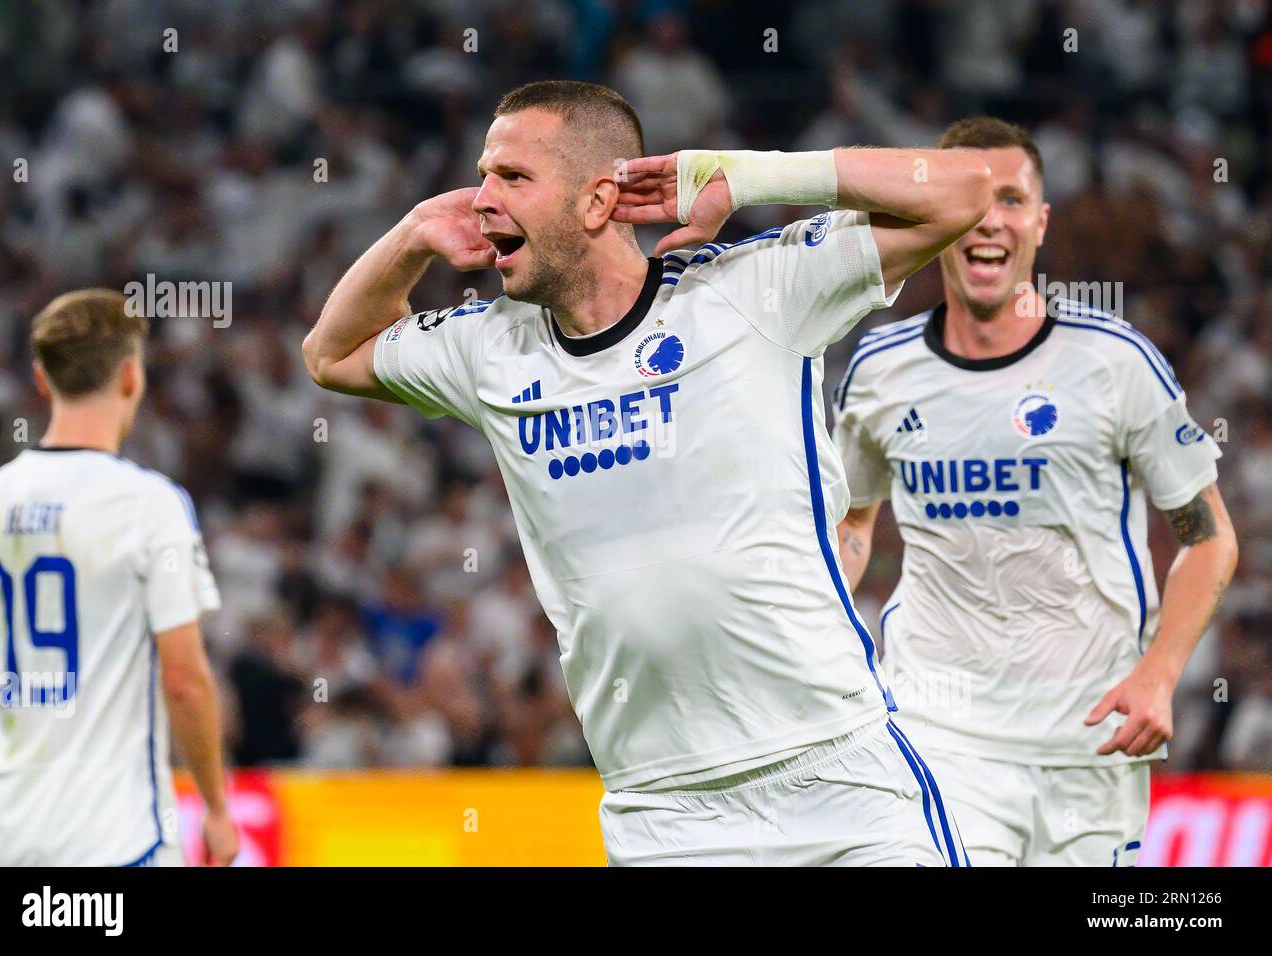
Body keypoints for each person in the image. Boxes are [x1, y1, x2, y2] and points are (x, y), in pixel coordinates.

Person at [303, 80, 992, 865]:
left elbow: (967, 190)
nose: (482, 199)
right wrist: (414, 234)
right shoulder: (489, 348)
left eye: (514, 178)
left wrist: (751, 176)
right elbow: (331, 353)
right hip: (662, 815)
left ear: (599, 200)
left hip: (837, 782)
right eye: (483, 175)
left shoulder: (754, 290)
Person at [831, 118, 1239, 866]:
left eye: (1012, 200)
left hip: (1087, 742)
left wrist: (1159, 674)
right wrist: (818, 631)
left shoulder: (1117, 363)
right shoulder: (878, 370)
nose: (990, 221)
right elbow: (854, 523)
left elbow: (1209, 537)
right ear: (933, 218)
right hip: (938, 734)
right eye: (969, 200)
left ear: (1041, 222)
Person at [0, 289, 238, 866]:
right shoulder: (149, 505)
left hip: (12, 843)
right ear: (129, 377)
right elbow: (185, 679)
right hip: (120, 842)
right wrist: (217, 808)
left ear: (42, 380)